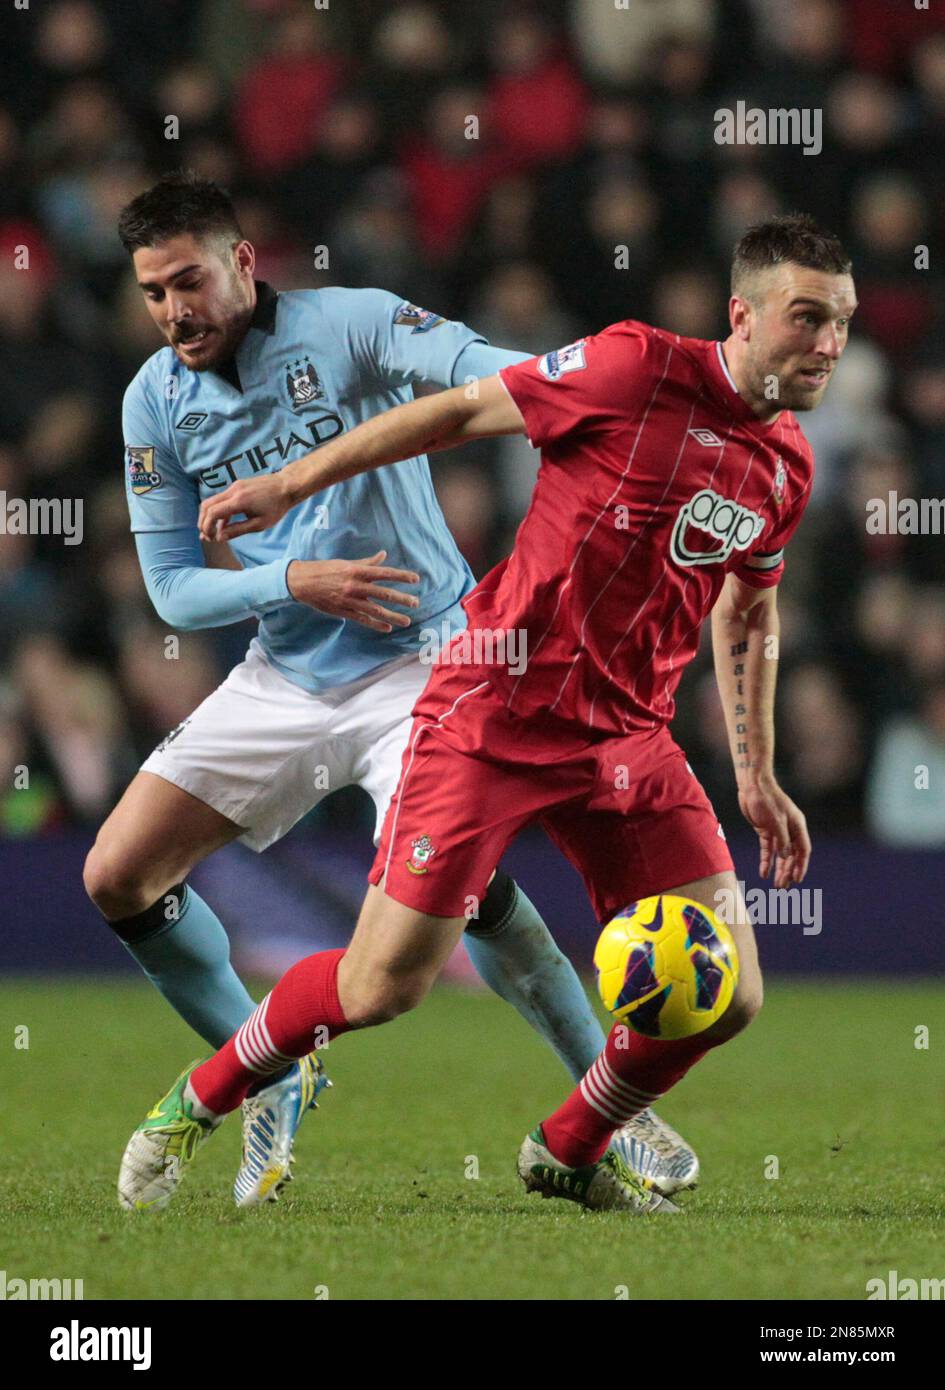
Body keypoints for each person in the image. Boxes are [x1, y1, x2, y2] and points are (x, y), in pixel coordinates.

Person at [119, 212, 852, 1214]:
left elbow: (750, 609)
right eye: (808, 319)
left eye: (842, 324)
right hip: (493, 708)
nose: (829, 346)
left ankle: (567, 1146)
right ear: (745, 315)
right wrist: (292, 480)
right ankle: (197, 1098)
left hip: (628, 738)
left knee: (729, 997)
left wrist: (758, 770)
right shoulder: (633, 367)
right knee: (381, 986)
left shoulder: (787, 466)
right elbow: (457, 411)